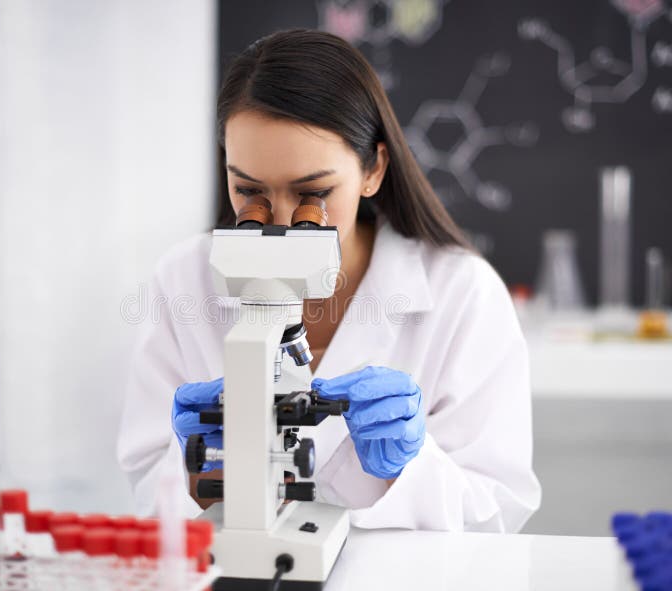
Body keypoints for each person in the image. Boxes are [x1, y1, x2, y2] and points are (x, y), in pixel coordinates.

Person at [117, 29, 541, 532]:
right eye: (248, 191)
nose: (279, 222)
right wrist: (197, 465)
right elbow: (147, 486)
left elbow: (497, 510)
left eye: (313, 195)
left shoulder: (462, 292)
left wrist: (406, 466)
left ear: (373, 169)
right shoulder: (183, 279)